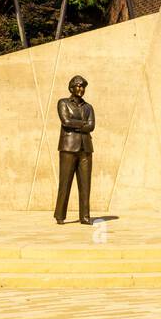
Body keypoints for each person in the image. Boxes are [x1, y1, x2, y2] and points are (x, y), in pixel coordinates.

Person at [54, 75, 94, 224]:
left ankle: (85, 216)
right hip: (68, 147)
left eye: (83, 86)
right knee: (65, 182)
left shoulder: (88, 107)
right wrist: (83, 124)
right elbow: (65, 121)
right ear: (71, 88)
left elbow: (92, 126)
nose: (81, 89)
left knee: (85, 184)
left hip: (86, 148)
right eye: (78, 86)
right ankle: (60, 215)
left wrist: (76, 124)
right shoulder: (63, 103)